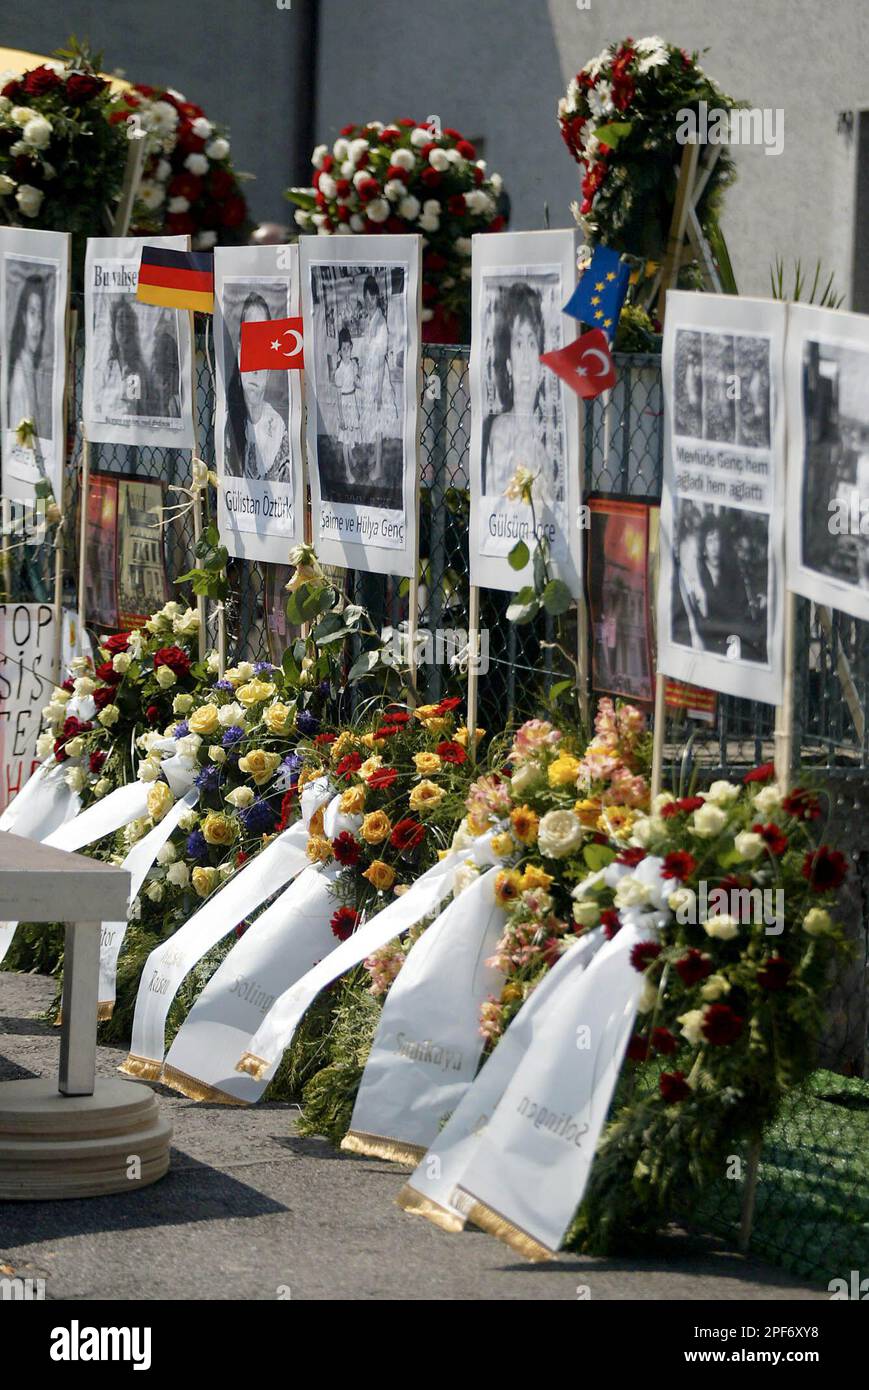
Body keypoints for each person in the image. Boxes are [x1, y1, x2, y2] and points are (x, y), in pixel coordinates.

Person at [483, 281, 550, 505]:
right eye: (518, 343)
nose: (525, 358)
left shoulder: (547, 437)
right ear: (509, 364)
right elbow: (500, 500)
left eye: (532, 344)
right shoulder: (501, 429)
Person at [225, 290, 289, 482]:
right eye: (250, 344)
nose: (254, 368)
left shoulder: (279, 430)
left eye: (261, 345)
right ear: (239, 352)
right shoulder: (226, 426)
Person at [357, 274, 398, 484]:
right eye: (368, 297)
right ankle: (375, 458)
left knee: (379, 425)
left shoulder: (380, 322)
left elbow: (381, 360)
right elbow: (367, 353)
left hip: (378, 381)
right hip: (369, 377)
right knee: (372, 424)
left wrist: (379, 391)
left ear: (377, 297)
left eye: (373, 297)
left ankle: (379, 467)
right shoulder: (370, 320)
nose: (371, 301)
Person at [8, 273, 49, 475]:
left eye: (41, 315)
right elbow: (23, 444)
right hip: (30, 478)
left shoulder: (30, 368)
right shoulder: (20, 378)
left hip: (35, 478)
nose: (38, 326)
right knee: (40, 506)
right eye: (33, 313)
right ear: (23, 317)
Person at [103, 300, 157, 418]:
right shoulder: (109, 366)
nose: (123, 322)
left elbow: (135, 410)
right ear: (114, 327)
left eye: (127, 318)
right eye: (119, 318)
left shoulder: (136, 368)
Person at [334, 324, 361, 484]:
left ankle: (352, 459)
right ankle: (347, 470)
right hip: (344, 404)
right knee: (345, 438)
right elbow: (338, 397)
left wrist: (357, 409)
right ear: (340, 351)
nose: (347, 352)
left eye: (349, 348)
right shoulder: (339, 371)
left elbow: (354, 386)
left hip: (352, 400)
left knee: (351, 434)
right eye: (344, 349)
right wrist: (341, 417)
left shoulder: (352, 365)